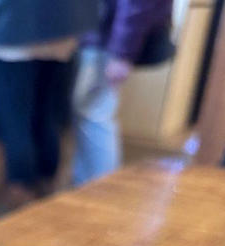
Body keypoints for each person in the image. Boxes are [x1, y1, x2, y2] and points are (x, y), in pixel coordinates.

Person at [0, 0, 98, 207]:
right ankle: (48, 191)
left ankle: (22, 199)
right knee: (46, 116)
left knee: (15, 122)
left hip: (8, 28)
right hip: (61, 29)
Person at [72, 0, 174, 185]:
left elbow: (137, 4)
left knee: (95, 116)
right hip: (100, 36)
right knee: (91, 117)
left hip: (103, 39)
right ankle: (88, 184)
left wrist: (122, 53)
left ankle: (99, 187)